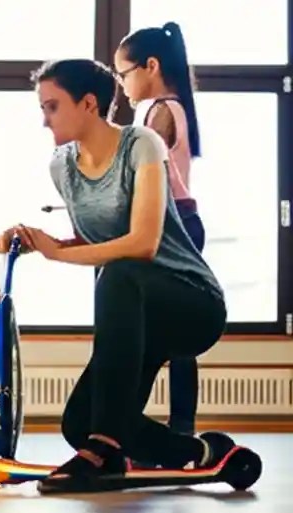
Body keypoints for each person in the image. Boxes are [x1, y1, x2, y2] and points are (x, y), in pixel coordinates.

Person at [0, 59, 230, 493]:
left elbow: (143, 243)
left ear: (89, 103)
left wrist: (59, 257)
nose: (43, 120)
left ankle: (102, 453)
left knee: (119, 273)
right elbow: (96, 240)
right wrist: (42, 241)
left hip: (190, 303)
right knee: (78, 423)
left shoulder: (141, 144)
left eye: (51, 107)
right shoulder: (61, 166)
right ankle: (202, 454)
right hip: (133, 305)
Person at [114, 22, 204, 436]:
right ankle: (173, 427)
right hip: (182, 221)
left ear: (150, 66)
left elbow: (143, 174)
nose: (122, 84)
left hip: (174, 224)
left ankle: (139, 428)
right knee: (170, 337)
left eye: (124, 73)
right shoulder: (172, 107)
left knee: (155, 337)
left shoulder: (157, 112)